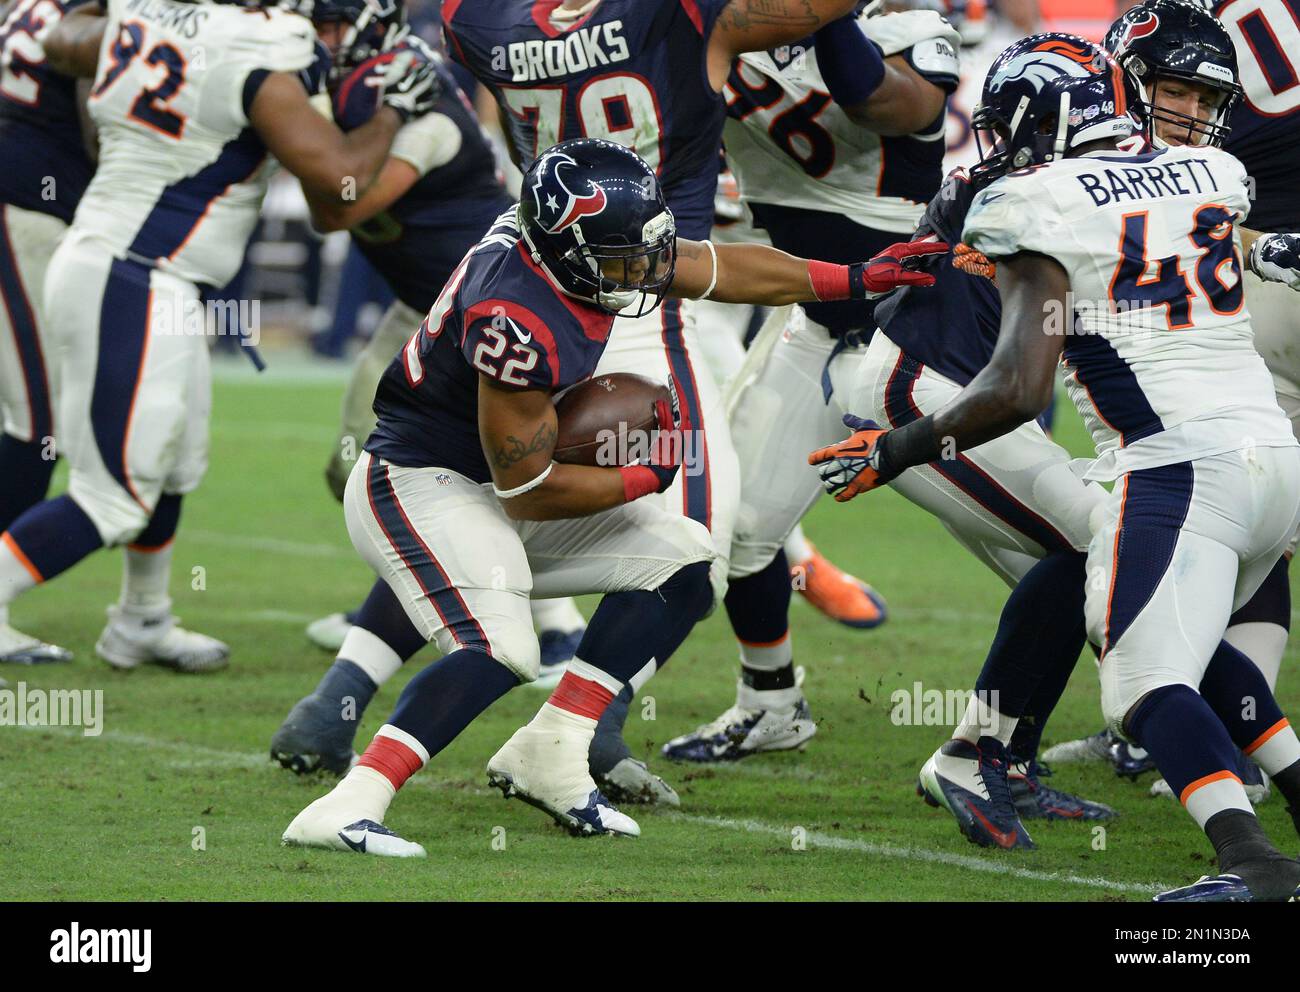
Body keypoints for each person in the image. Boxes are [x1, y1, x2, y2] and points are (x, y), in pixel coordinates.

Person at [281, 136, 946, 854]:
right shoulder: (515, 316)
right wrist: (644, 474)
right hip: (420, 486)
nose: (645, 272)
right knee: (501, 647)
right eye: (625, 259)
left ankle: (555, 754)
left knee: (685, 562)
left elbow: (704, 264)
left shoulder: (568, 250)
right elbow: (530, 487)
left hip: (485, 488)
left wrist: (853, 279)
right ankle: (348, 802)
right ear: (568, 251)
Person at [812, 33, 1300, 900]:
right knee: (1126, 582)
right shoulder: (1210, 172)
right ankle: (984, 750)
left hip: (1173, 461)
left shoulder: (1027, 197)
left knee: (1142, 665)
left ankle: (1253, 865)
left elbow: (1015, 383)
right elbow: (1165, 220)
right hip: (1270, 456)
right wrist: (1259, 250)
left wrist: (892, 456)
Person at [0, 0, 439, 671]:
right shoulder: (261, 47)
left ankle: (141, 620)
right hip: (134, 274)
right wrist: (394, 111)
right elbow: (337, 179)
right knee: (113, 498)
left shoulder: (149, 14)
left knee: (176, 461)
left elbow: (63, 41)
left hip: (142, 270)